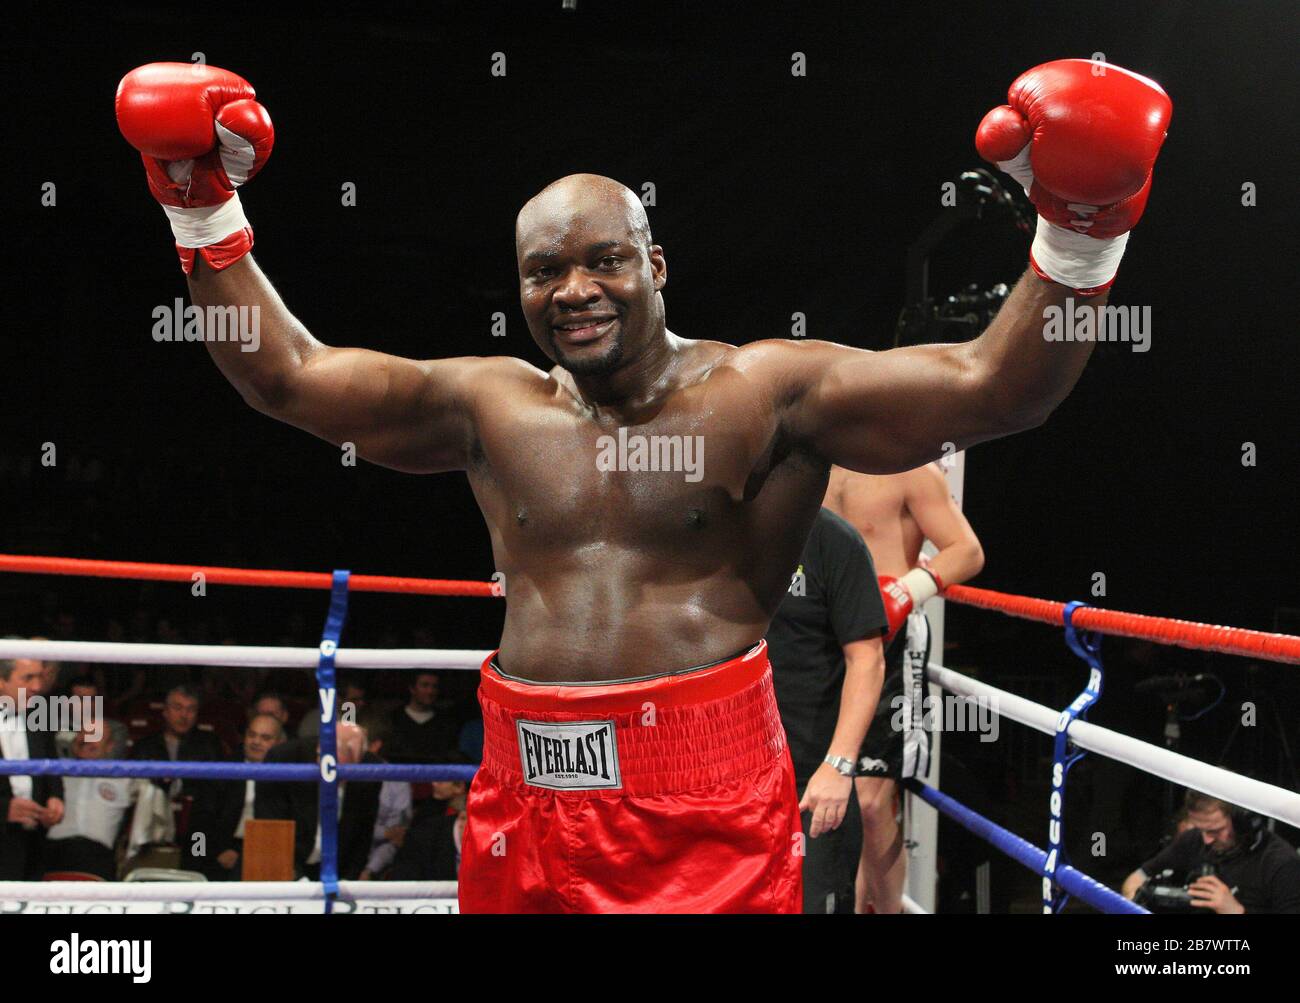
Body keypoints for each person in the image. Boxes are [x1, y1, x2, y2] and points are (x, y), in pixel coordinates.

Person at [116, 58, 1171, 912]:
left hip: (698, 799)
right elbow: (284, 377)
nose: (574, 291)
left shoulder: (768, 390)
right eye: (543, 273)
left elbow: (995, 389)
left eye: (604, 261)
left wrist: (1081, 234)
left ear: (655, 266)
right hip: (520, 791)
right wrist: (198, 210)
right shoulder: (490, 406)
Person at [822, 461, 985, 912]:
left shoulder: (909, 467)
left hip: (887, 640)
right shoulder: (808, 462)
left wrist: (905, 590)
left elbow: (967, 550)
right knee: (828, 801)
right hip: (817, 638)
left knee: (870, 804)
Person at [767, 507, 888, 913]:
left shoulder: (833, 540)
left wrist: (838, 766)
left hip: (810, 784)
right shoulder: (719, 533)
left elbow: (867, 659)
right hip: (726, 784)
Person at [1121, 791, 1300, 914]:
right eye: (1202, 830)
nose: (1207, 840)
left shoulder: (1281, 863)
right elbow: (1136, 879)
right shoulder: (1193, 839)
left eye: (1215, 830)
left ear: (1243, 821)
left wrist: (1235, 911)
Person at [254, 721, 381, 880]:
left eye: (345, 770)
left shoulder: (370, 771)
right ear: (320, 751)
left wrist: (347, 882)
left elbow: (363, 834)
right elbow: (269, 826)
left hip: (334, 870)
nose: (337, 776)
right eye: (333, 767)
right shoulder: (285, 758)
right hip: (285, 866)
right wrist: (294, 879)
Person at [187, 712, 284, 879]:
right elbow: (199, 825)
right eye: (251, 735)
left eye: (265, 738)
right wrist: (214, 853)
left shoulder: (289, 776)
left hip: (268, 853)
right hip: (220, 852)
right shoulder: (220, 771)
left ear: (280, 743)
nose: (256, 742)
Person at [0, 647, 65, 878]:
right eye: (28, 678)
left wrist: (55, 797)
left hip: (32, 843)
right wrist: (3, 809)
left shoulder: (39, 712)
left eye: (40, 676)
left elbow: (50, 762)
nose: (37, 687)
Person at [44, 721, 134, 879]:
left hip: (97, 856)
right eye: (83, 734)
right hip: (50, 852)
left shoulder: (126, 780)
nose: (87, 739)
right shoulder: (54, 773)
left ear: (110, 745)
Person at [385, 672, 458, 766]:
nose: (430, 691)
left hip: (437, 776)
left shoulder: (445, 721)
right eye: (425, 685)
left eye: (434, 686)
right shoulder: (394, 718)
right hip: (399, 776)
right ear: (412, 688)